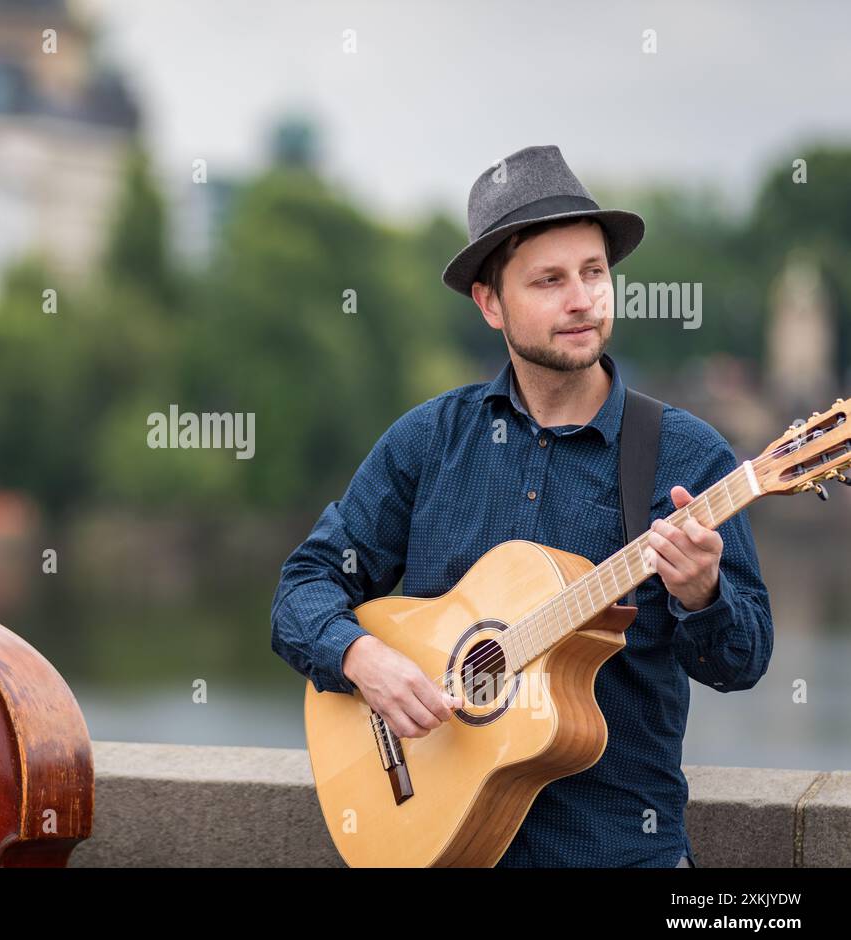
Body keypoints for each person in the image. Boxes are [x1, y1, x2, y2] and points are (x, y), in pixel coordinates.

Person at [271, 145, 773, 867]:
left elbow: (746, 658)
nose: (582, 299)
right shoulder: (429, 441)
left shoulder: (685, 458)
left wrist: (702, 593)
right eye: (549, 280)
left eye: (594, 273)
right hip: (447, 845)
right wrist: (361, 658)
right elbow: (303, 586)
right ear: (490, 302)